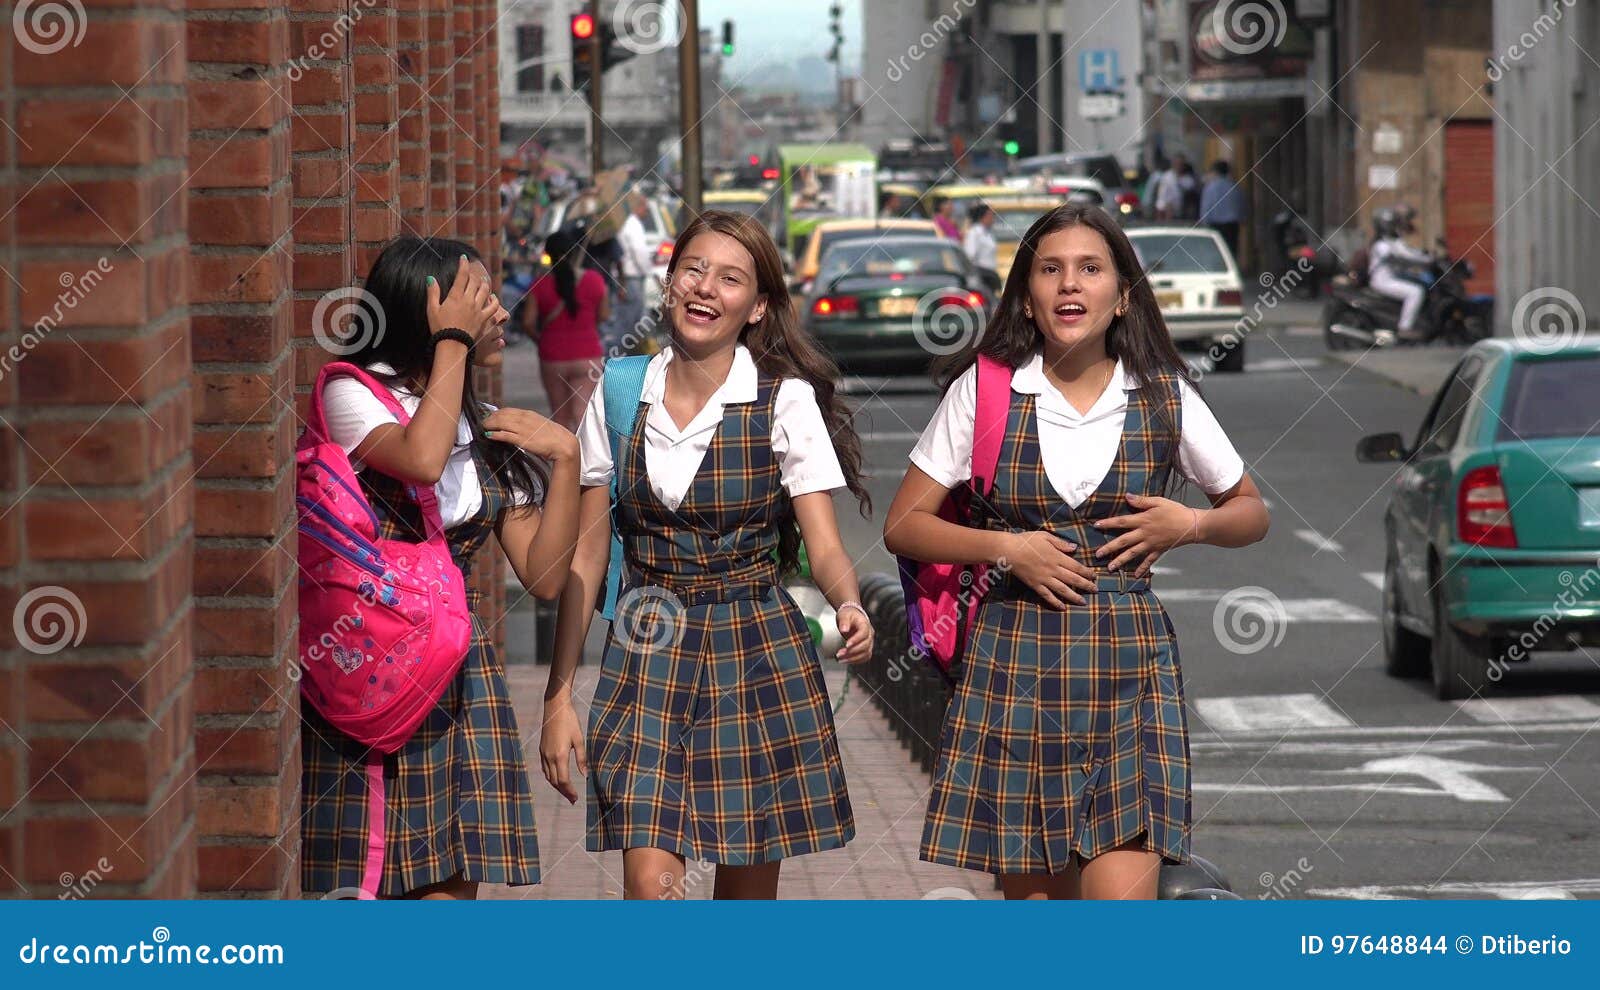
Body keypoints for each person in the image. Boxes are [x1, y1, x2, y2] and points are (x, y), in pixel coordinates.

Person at [884, 203, 1270, 899]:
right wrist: (1008, 548)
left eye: (1091, 269)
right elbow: (905, 525)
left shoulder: (1164, 395)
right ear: (1026, 298)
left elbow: (1250, 512)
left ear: (1122, 296)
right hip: (1014, 664)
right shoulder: (986, 391)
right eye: (1051, 270)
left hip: (1130, 668)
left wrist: (1187, 524)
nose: (1070, 284)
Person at [540, 210, 875, 900]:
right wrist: (558, 697)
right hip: (646, 650)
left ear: (757, 307)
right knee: (651, 891)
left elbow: (825, 544)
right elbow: (587, 557)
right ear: (668, 283)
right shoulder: (620, 390)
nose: (705, 288)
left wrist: (849, 603)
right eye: (693, 270)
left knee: (742, 903)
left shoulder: (784, 401)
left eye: (730, 279)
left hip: (756, 654)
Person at [304, 239, 582, 899]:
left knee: (450, 887)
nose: (502, 314)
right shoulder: (353, 392)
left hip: (455, 671)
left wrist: (566, 460)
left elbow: (544, 576)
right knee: (367, 886)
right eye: (481, 299)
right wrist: (452, 340)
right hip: (373, 663)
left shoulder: (476, 423)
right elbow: (422, 460)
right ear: (430, 309)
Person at [524, 229, 607, 432]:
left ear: (548, 255)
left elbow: (527, 323)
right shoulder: (595, 280)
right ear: (574, 253)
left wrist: (541, 340)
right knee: (583, 417)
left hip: (553, 357)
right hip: (588, 354)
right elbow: (604, 315)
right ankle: (585, 453)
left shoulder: (539, 284)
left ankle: (561, 452)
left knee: (560, 418)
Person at [1367, 204, 1433, 339]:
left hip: (1394, 278)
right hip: (1383, 282)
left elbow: (1409, 253)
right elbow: (1401, 257)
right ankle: (1405, 328)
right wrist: (1422, 261)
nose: (1392, 227)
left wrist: (1427, 256)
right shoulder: (1381, 244)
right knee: (1416, 292)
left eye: (1393, 223)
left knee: (1421, 283)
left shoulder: (1394, 241)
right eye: (1389, 224)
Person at [614, 192, 656, 352]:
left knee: (635, 318)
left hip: (627, 277)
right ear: (638, 207)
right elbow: (639, 252)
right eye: (645, 206)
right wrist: (649, 272)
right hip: (632, 278)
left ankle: (637, 351)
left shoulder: (625, 223)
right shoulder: (633, 224)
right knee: (630, 320)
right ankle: (620, 355)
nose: (647, 211)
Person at [1199, 161, 1246, 258]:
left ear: (1215, 172)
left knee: (1217, 252)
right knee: (1231, 251)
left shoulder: (1211, 187)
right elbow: (1240, 204)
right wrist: (1242, 219)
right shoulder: (1234, 186)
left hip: (1215, 225)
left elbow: (1206, 207)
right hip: (1232, 225)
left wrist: (1204, 223)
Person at [962, 203, 999, 282]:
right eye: (990, 215)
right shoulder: (974, 232)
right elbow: (970, 255)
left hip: (990, 273)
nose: (993, 218)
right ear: (983, 217)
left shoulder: (988, 233)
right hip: (981, 275)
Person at [1155, 154, 1197, 221]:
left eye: (1181, 164)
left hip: (1183, 215)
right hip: (1167, 213)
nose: (1178, 166)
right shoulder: (1166, 177)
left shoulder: (1189, 180)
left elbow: (1190, 198)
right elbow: (1161, 196)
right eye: (1177, 163)